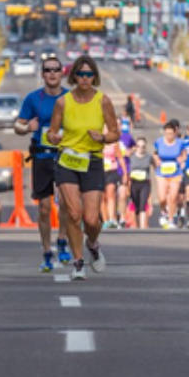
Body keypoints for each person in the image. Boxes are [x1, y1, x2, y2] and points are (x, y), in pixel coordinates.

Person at [47, 55, 118, 280]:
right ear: (74, 76)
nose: (85, 78)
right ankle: (78, 262)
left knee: (91, 219)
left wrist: (103, 138)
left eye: (89, 74)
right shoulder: (63, 102)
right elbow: (51, 131)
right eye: (81, 74)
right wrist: (53, 137)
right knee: (74, 213)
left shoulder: (103, 101)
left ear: (94, 77)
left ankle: (93, 244)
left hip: (92, 161)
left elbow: (115, 133)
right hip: (67, 160)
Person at [14, 56, 71, 271]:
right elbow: (17, 126)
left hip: (65, 156)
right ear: (42, 74)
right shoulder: (33, 99)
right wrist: (27, 128)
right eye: (48, 70)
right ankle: (47, 251)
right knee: (45, 208)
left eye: (56, 69)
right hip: (41, 157)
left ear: (62, 73)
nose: (52, 73)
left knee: (66, 202)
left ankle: (62, 239)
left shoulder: (71, 97)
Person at [152, 121, 184, 230]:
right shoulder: (159, 142)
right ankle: (163, 212)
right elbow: (155, 154)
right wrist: (157, 160)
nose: (169, 136)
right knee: (162, 198)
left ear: (175, 133)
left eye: (171, 133)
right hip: (162, 172)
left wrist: (182, 160)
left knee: (173, 197)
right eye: (167, 133)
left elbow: (184, 155)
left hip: (175, 173)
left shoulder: (180, 143)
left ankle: (170, 220)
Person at [127, 136, 151, 229]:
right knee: (135, 205)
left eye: (143, 147)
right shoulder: (131, 157)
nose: (141, 148)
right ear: (136, 147)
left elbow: (157, 166)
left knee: (143, 205)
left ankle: (142, 227)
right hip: (133, 183)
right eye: (139, 146)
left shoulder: (149, 157)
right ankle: (136, 226)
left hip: (144, 183)